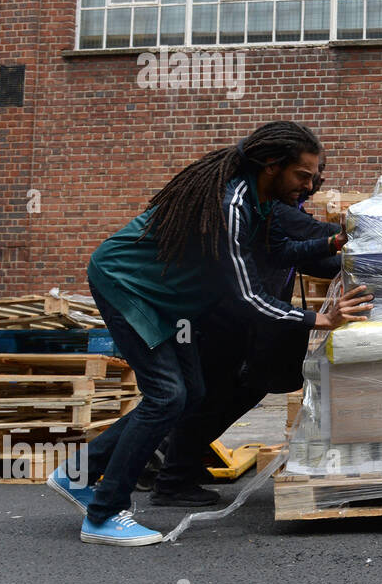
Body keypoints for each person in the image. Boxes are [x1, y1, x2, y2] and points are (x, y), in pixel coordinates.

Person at [46, 122, 372, 546]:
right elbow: (243, 296)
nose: (310, 185)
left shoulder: (260, 199)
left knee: (191, 392)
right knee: (168, 396)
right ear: (272, 166)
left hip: (167, 297)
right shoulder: (231, 204)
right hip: (128, 285)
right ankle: (105, 514)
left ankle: (79, 474)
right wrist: (318, 321)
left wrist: (330, 244)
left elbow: (276, 252)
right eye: (304, 175)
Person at [146, 157, 348, 506]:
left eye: (316, 178)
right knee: (215, 396)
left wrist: (349, 264)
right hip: (223, 322)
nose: (311, 185)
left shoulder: (275, 214)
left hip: (242, 323)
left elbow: (307, 256)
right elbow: (321, 237)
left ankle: (177, 463)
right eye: (307, 177)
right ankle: (170, 478)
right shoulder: (275, 211)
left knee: (233, 393)